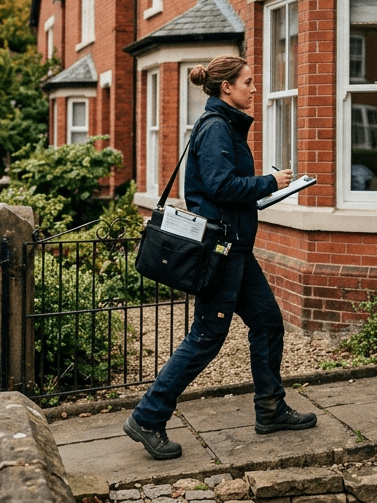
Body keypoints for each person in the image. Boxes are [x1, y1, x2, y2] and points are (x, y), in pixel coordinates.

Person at [124, 55, 317, 460]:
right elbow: (219, 185)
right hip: (222, 251)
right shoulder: (215, 129)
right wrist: (270, 182)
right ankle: (148, 416)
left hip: (236, 248)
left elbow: (224, 188)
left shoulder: (224, 126)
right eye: (247, 81)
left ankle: (270, 409)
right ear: (226, 87)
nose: (253, 87)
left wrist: (264, 189)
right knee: (207, 336)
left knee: (266, 322)